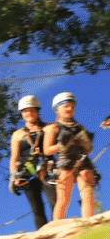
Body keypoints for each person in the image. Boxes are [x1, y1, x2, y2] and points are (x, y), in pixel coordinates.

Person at [43, 92, 96, 220]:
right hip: (65, 163)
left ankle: (90, 224)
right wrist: (61, 146)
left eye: (72, 106)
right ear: (57, 109)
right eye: (66, 106)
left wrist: (87, 145)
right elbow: (47, 150)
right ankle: (57, 229)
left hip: (82, 161)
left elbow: (88, 150)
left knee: (88, 193)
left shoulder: (80, 127)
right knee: (63, 199)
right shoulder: (54, 128)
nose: (70, 109)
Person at [9, 95, 57, 230]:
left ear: (37, 111)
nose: (29, 113)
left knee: (55, 202)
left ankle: (59, 233)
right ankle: (44, 237)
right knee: (37, 208)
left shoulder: (50, 128)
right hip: (27, 172)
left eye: (32, 110)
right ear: (22, 114)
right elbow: (14, 157)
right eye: (25, 111)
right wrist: (14, 176)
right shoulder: (17, 134)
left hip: (47, 169)